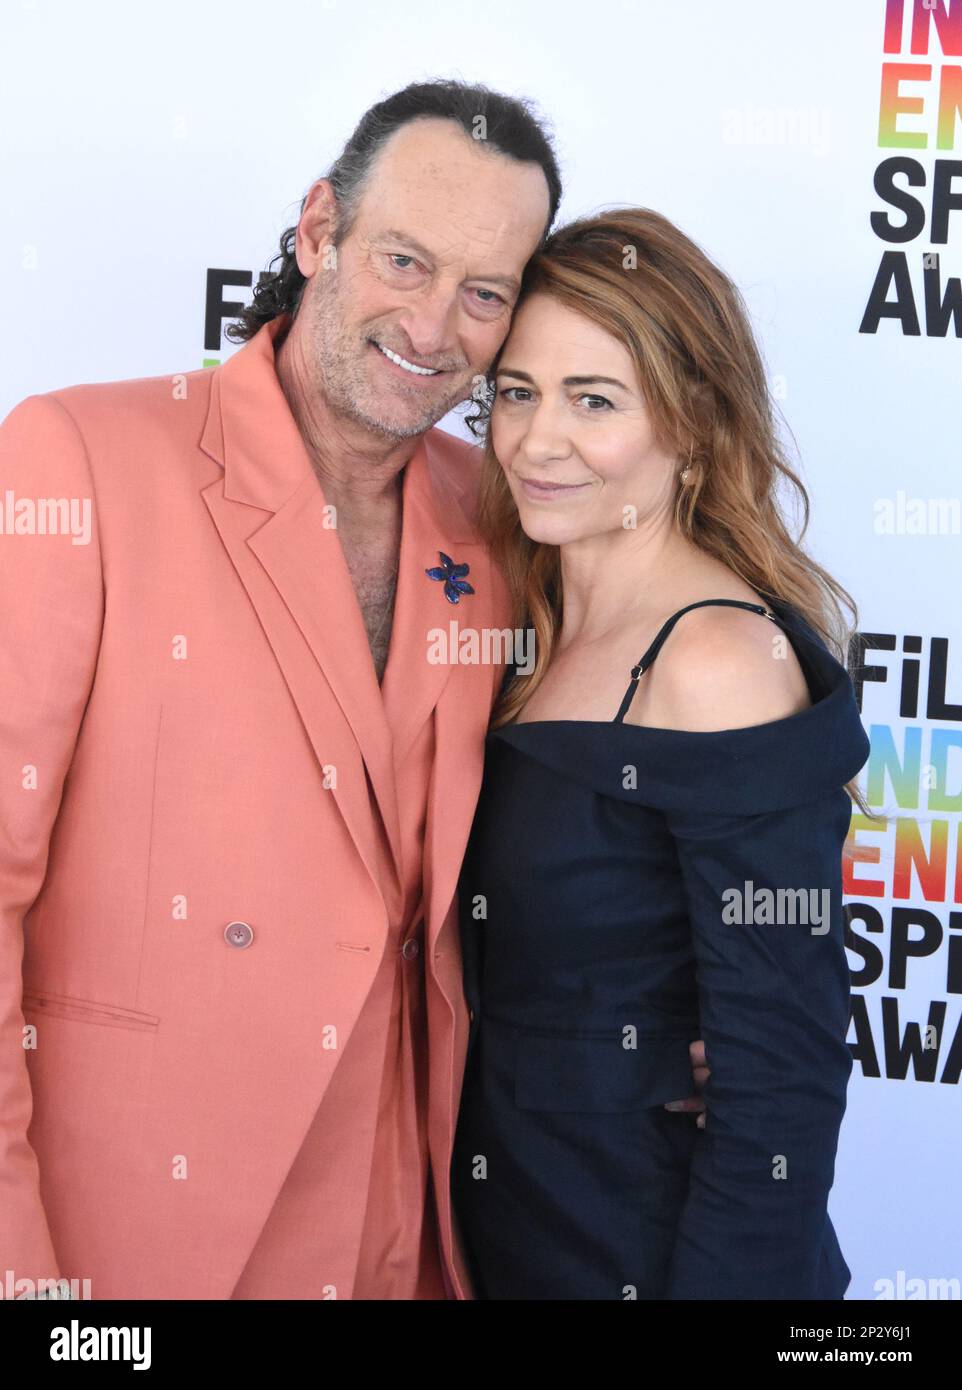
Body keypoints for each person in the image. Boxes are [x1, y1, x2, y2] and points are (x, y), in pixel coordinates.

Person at [0, 81, 707, 1302]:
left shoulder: (500, 519)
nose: (434, 326)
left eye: (484, 293)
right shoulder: (78, 461)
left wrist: (672, 1009)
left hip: (417, 1225)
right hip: (137, 1238)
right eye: (402, 259)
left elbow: (600, 786)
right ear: (318, 231)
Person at [450, 208, 873, 1299]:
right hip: (502, 1230)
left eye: (593, 400)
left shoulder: (716, 660)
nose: (537, 439)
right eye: (516, 391)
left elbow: (777, 1074)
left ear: (690, 425)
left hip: (649, 1243)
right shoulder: (519, 619)